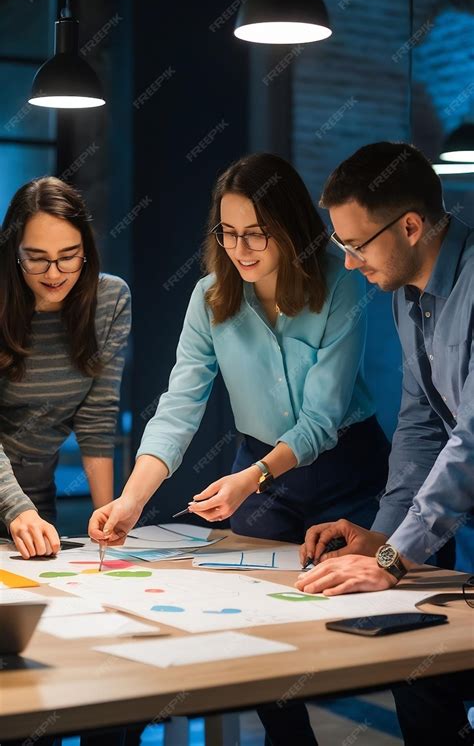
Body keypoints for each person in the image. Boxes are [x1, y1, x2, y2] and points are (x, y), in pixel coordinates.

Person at [89, 152, 389, 746]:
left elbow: (322, 419)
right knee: (254, 615)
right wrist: (129, 503)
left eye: (257, 233)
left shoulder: (340, 281)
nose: (241, 248)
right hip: (262, 470)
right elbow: (178, 409)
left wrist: (251, 477)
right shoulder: (208, 298)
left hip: (352, 467)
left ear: (292, 228)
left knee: (386, 622)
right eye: (228, 233)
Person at [295, 141, 474, 746]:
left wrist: (394, 560)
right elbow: (424, 423)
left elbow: (472, 439)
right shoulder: (407, 295)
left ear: (412, 226)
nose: (347, 263)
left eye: (356, 244)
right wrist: (385, 535)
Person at [0, 176, 131, 559]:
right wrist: (15, 507)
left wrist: (107, 520)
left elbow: (97, 416)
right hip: (17, 503)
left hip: (35, 500)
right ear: (13, 253)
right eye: (37, 258)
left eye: (68, 256)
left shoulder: (109, 300)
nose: (54, 274)